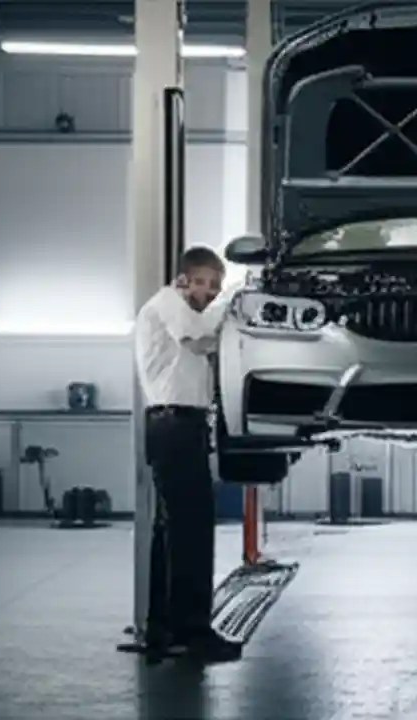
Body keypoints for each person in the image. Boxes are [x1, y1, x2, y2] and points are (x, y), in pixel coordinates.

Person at [132, 245, 242, 663]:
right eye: (202, 283)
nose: (210, 292)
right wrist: (230, 303)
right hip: (173, 425)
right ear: (183, 280)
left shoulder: (188, 311)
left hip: (181, 426)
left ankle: (163, 627)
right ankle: (192, 632)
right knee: (192, 530)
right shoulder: (168, 304)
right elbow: (197, 341)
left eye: (216, 285)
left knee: (172, 529)